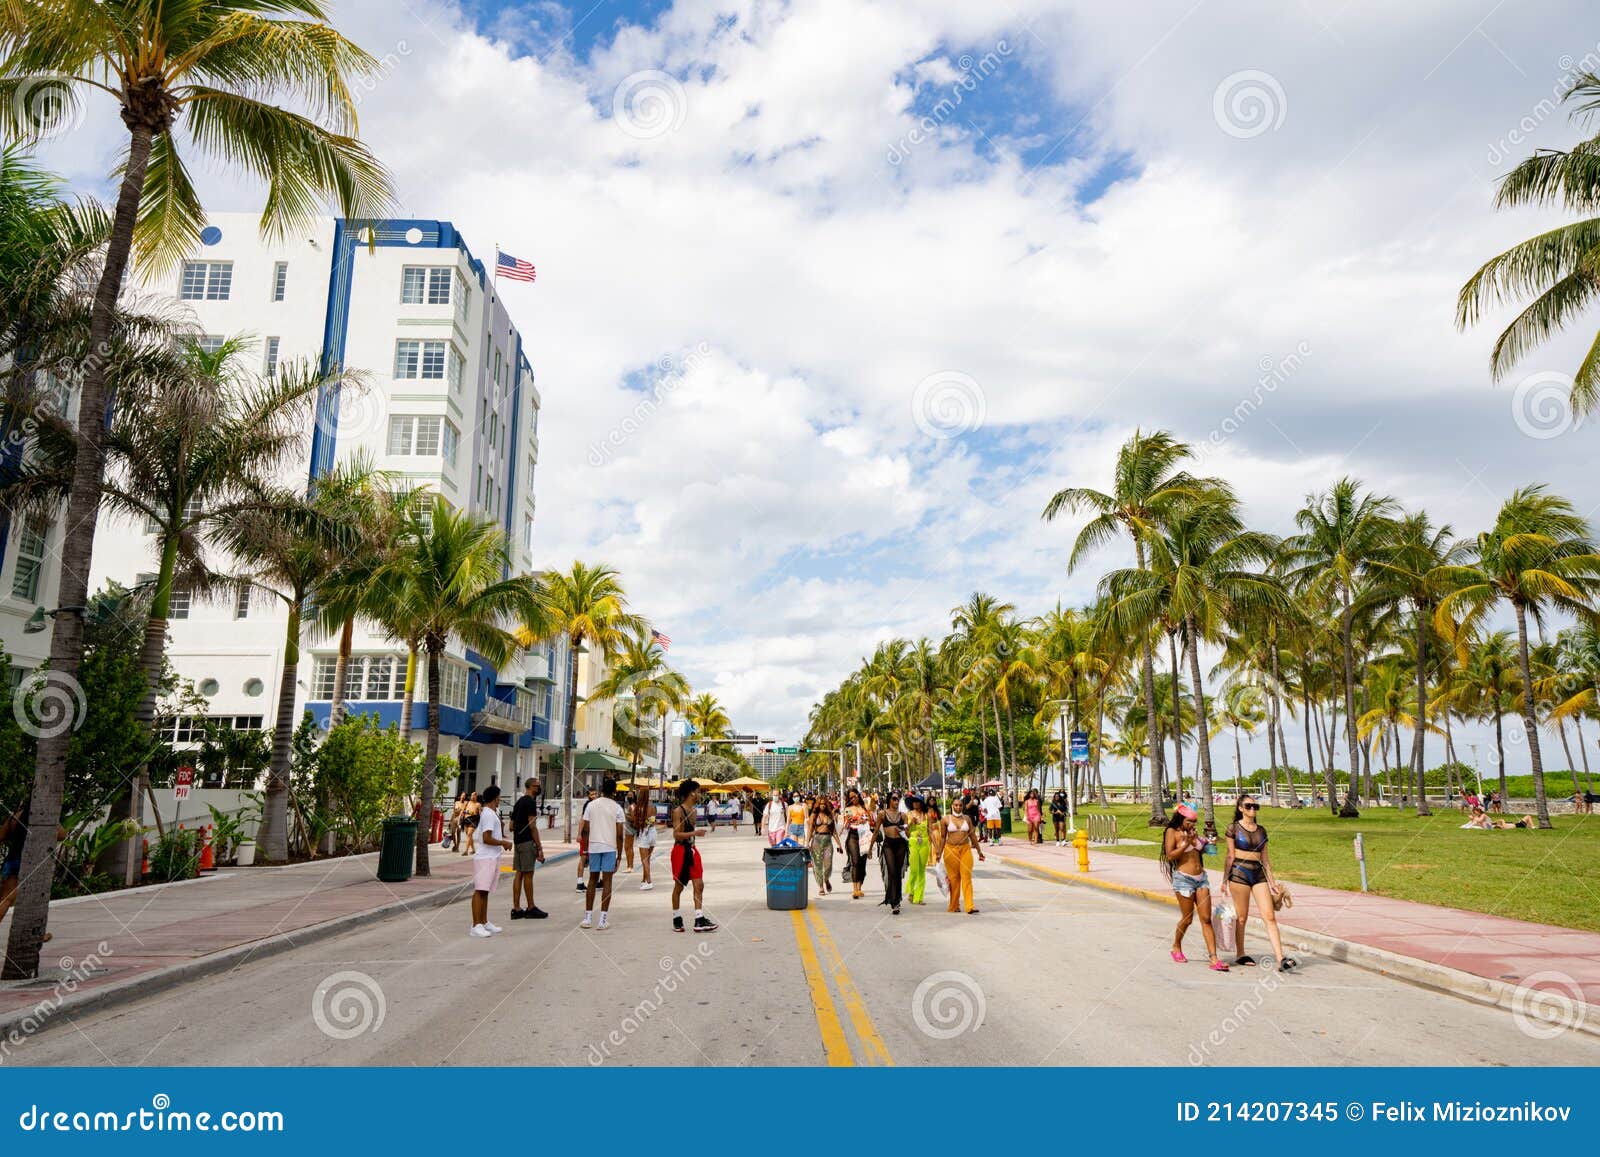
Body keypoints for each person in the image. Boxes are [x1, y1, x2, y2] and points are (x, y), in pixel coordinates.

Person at [1224, 795, 1297, 971]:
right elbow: (1230, 856)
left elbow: (1265, 859)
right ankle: (1240, 954)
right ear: (1240, 808)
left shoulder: (1261, 831)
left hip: (1258, 874)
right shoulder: (1233, 828)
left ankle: (1281, 958)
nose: (1252, 809)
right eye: (1248, 806)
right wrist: (1224, 880)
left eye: (1255, 806)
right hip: (1239, 873)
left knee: (1270, 916)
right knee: (1242, 917)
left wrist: (1272, 882)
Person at [1160, 804, 1227, 971]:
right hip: (1184, 880)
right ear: (1181, 819)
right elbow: (1170, 856)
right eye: (1190, 821)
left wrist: (1204, 844)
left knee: (1206, 918)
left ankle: (1214, 959)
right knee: (1187, 919)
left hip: (1201, 879)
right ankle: (1176, 946)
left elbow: (1199, 852)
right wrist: (1185, 844)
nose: (1193, 824)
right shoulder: (1172, 832)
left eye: (1195, 821)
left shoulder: (1192, 832)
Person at [0, 798, 66, 939]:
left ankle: (36, 933)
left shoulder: (15, 816)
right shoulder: (45, 817)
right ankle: (35, 933)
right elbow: (61, 835)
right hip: (31, 862)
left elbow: (1, 835)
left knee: (5, 899)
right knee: (32, 899)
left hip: (11, 859)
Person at [669, 779, 719, 932]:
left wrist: (694, 838)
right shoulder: (678, 811)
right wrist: (695, 833)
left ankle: (699, 918)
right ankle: (676, 917)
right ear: (691, 793)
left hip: (692, 849)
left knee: (699, 884)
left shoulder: (694, 811)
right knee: (679, 886)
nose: (699, 794)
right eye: (698, 791)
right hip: (680, 851)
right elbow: (676, 835)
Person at [579, 777, 626, 930]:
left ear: (601, 789)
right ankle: (602, 919)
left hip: (593, 846)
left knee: (592, 880)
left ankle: (587, 917)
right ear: (614, 791)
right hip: (610, 847)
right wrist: (619, 854)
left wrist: (585, 850)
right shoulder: (617, 808)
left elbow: (585, 829)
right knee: (607, 882)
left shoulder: (591, 805)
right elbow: (620, 834)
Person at [468, 785, 510, 938]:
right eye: (499, 797)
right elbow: (486, 838)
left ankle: (484, 922)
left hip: (491, 857)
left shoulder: (491, 813)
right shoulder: (488, 814)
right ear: (495, 798)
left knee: (485, 891)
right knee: (480, 890)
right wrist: (503, 843)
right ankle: (475, 925)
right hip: (485, 857)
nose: (500, 800)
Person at [509, 778, 548, 920]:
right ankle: (531, 907)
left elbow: (511, 826)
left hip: (517, 842)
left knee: (519, 874)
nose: (539, 789)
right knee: (528, 875)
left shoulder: (519, 802)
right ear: (530, 787)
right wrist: (539, 847)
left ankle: (516, 908)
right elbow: (532, 826)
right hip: (527, 842)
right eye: (537, 786)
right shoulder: (530, 802)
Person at [940, 796, 984, 913]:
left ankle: (970, 906)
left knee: (966, 876)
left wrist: (979, 851)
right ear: (952, 806)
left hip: (965, 849)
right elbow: (943, 837)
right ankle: (954, 905)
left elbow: (972, 836)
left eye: (960, 805)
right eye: (956, 805)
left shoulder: (967, 819)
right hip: (950, 850)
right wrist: (939, 853)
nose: (958, 807)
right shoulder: (945, 819)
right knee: (954, 880)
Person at [874, 791, 908, 915]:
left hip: (901, 845)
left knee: (897, 873)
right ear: (889, 800)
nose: (896, 801)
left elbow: (908, 834)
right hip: (888, 844)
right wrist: (870, 847)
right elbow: (876, 830)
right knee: (892, 871)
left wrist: (906, 828)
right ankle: (893, 899)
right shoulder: (882, 814)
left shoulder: (903, 816)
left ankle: (896, 901)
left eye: (898, 799)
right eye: (894, 799)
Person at [806, 797, 841, 896]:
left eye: (824, 804)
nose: (823, 805)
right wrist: (807, 843)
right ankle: (821, 886)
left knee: (828, 864)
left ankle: (826, 879)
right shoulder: (813, 815)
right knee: (817, 865)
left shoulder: (830, 815)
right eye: (821, 804)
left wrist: (839, 844)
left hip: (828, 841)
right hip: (816, 840)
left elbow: (834, 831)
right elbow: (810, 830)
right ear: (817, 805)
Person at [841, 788, 871, 900]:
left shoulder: (865, 808)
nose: (853, 798)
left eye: (855, 796)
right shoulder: (848, 809)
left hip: (864, 837)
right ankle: (854, 889)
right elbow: (846, 825)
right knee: (855, 861)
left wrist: (865, 820)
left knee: (863, 863)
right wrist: (849, 821)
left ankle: (859, 888)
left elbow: (872, 821)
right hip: (853, 836)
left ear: (858, 796)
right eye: (851, 797)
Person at [905, 795, 932, 906]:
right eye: (914, 801)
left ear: (921, 803)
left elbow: (930, 831)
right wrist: (911, 823)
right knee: (914, 869)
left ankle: (919, 897)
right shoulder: (909, 814)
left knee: (922, 871)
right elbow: (905, 832)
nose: (915, 803)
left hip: (925, 843)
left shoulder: (927, 815)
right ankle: (911, 891)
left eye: (918, 801)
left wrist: (937, 847)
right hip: (913, 843)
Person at [630, 786, 657, 891]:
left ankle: (649, 881)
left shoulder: (638, 807)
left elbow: (635, 821)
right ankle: (644, 880)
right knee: (648, 859)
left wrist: (632, 811)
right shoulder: (653, 807)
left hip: (644, 833)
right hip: (653, 832)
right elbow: (653, 820)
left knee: (644, 860)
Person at [576, 786, 599, 892]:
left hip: (593, 836)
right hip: (586, 836)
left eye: (595, 794)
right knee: (583, 858)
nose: (594, 796)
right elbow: (582, 820)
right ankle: (579, 883)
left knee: (593, 858)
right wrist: (579, 834)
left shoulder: (596, 805)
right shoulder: (588, 805)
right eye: (591, 794)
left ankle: (595, 881)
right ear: (588, 796)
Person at [460, 791, 481, 856]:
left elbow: (480, 814)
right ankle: (474, 850)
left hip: (474, 820)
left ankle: (466, 851)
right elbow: (462, 811)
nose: (473, 796)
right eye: (472, 795)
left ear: (476, 796)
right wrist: (460, 819)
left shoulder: (478, 804)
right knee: (469, 836)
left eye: (474, 795)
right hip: (466, 820)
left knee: (469, 834)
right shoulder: (467, 803)